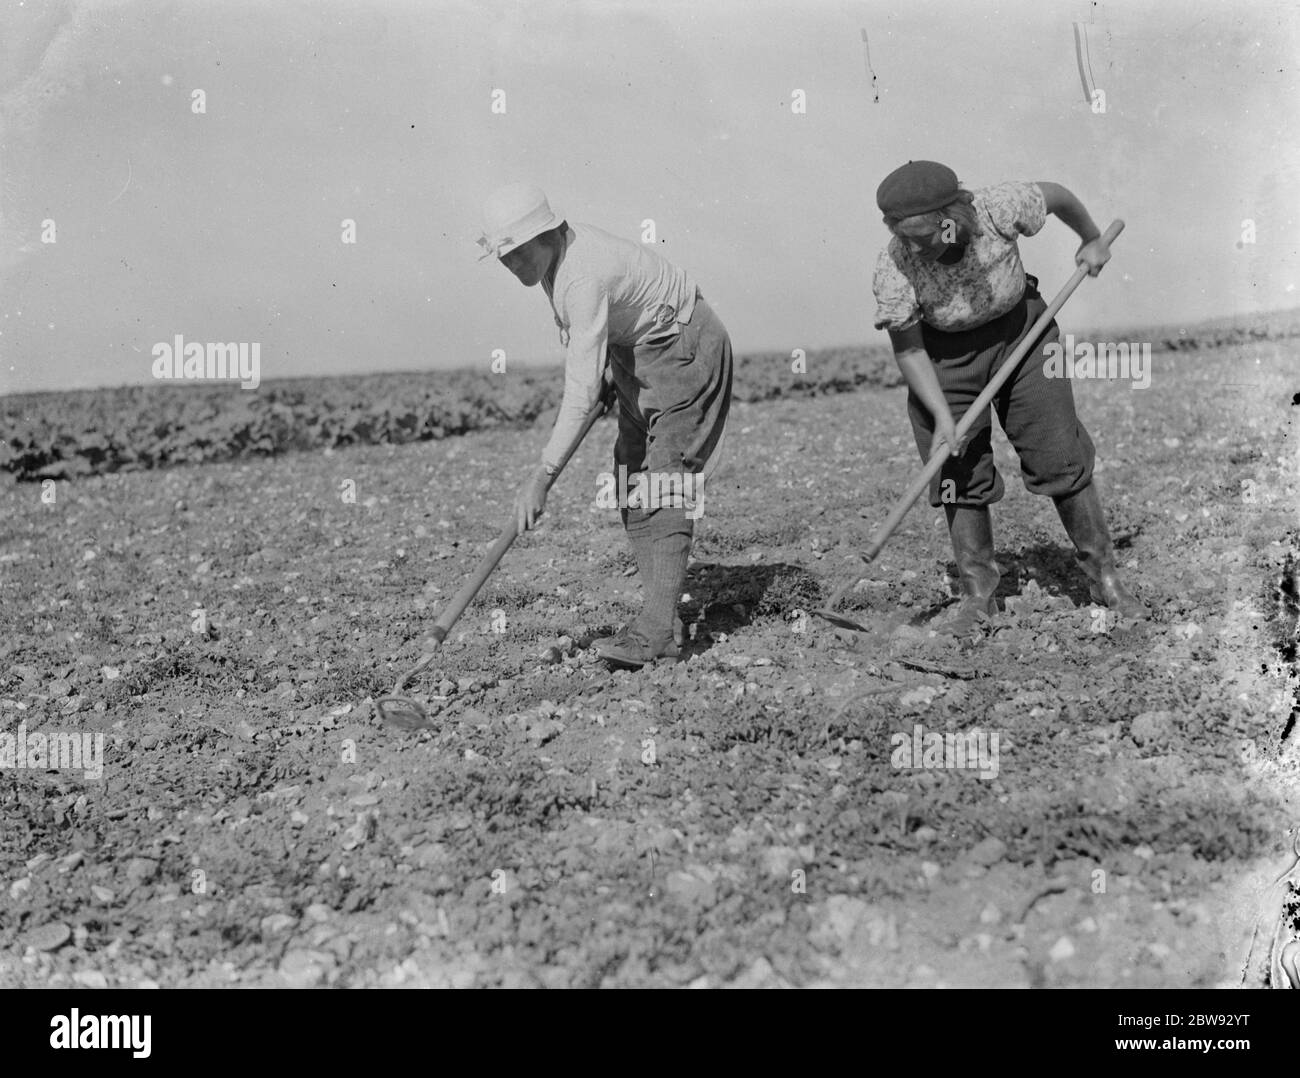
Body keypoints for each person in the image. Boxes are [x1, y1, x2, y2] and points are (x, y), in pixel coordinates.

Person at [871, 160, 1149, 632]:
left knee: (1058, 451)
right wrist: (941, 416)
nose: (914, 247)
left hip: (1025, 335)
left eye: (923, 237)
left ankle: (1105, 578)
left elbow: (1057, 193)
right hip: (945, 359)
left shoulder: (998, 209)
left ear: (951, 217)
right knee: (955, 468)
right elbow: (910, 350)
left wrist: (1091, 238)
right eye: (904, 237)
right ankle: (978, 595)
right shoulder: (895, 264)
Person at [478, 183, 733, 667]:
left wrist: (542, 475)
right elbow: (586, 348)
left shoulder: (581, 274)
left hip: (682, 346)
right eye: (503, 258)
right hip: (637, 352)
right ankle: (662, 620)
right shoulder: (555, 263)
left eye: (516, 253)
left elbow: (578, 392)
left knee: (665, 485)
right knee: (628, 485)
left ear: (546, 234)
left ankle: (656, 632)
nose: (511, 266)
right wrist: (612, 374)